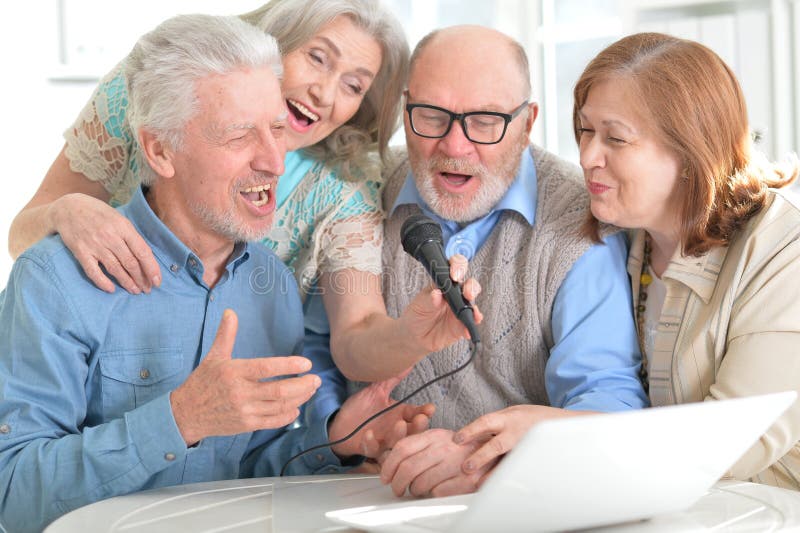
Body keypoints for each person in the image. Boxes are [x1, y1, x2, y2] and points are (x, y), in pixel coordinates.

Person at [0, 15, 434, 532]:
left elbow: (246, 469)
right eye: (239, 136)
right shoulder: (56, 281)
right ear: (159, 149)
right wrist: (180, 419)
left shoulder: (271, 286)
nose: (275, 162)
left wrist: (336, 438)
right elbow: (13, 494)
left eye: (276, 129)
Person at [6, 0, 476, 406]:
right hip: (85, 370)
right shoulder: (146, 95)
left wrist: (412, 337)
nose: (325, 93)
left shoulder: (344, 193)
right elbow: (23, 238)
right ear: (279, 39)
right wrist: (62, 212)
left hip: (216, 405)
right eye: (317, 58)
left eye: (354, 86)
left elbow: (356, 335)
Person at [376, 25, 649, 498]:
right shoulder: (364, 189)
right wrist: (343, 432)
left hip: (521, 507)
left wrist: (495, 458)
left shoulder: (582, 222)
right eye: (432, 115)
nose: (455, 147)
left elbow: (610, 406)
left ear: (527, 124)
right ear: (405, 110)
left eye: (484, 120)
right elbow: (318, 370)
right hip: (360, 497)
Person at [573, 32, 800, 490]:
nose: (586, 156)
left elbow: (734, 441)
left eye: (615, 138)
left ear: (691, 153)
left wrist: (561, 435)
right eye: (584, 130)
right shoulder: (617, 237)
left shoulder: (784, 247)